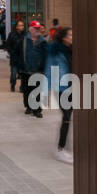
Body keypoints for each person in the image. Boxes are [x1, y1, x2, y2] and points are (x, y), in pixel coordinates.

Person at [46, 26, 73, 163]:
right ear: (64, 37)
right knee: (67, 116)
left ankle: (65, 146)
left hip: (72, 86)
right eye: (70, 35)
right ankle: (60, 149)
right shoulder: (55, 51)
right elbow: (49, 69)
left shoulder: (71, 50)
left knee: (68, 117)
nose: (72, 37)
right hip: (61, 87)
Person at [21, 20, 46, 118]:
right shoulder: (24, 40)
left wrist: (43, 66)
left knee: (37, 90)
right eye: (35, 28)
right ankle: (28, 107)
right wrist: (20, 65)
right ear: (30, 29)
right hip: (25, 69)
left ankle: (37, 110)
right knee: (27, 90)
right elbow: (18, 53)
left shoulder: (43, 41)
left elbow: (45, 55)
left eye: (38, 28)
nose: (37, 30)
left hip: (38, 70)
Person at [6, 19, 25, 91]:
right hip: (14, 57)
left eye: (22, 25)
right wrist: (11, 52)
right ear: (16, 27)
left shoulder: (25, 35)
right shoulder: (12, 34)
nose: (22, 27)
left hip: (22, 58)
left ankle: (22, 87)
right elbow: (8, 45)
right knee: (14, 74)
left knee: (23, 74)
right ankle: (12, 84)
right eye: (20, 25)